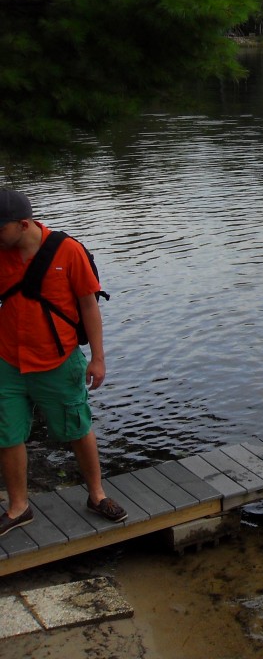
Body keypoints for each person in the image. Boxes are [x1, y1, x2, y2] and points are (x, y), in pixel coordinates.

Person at [0, 188, 127, 537]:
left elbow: (89, 306)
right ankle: (18, 507)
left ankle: (97, 494)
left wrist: (98, 358)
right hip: (8, 361)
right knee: (7, 433)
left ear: (23, 224)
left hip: (57, 361)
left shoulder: (67, 251)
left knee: (77, 427)